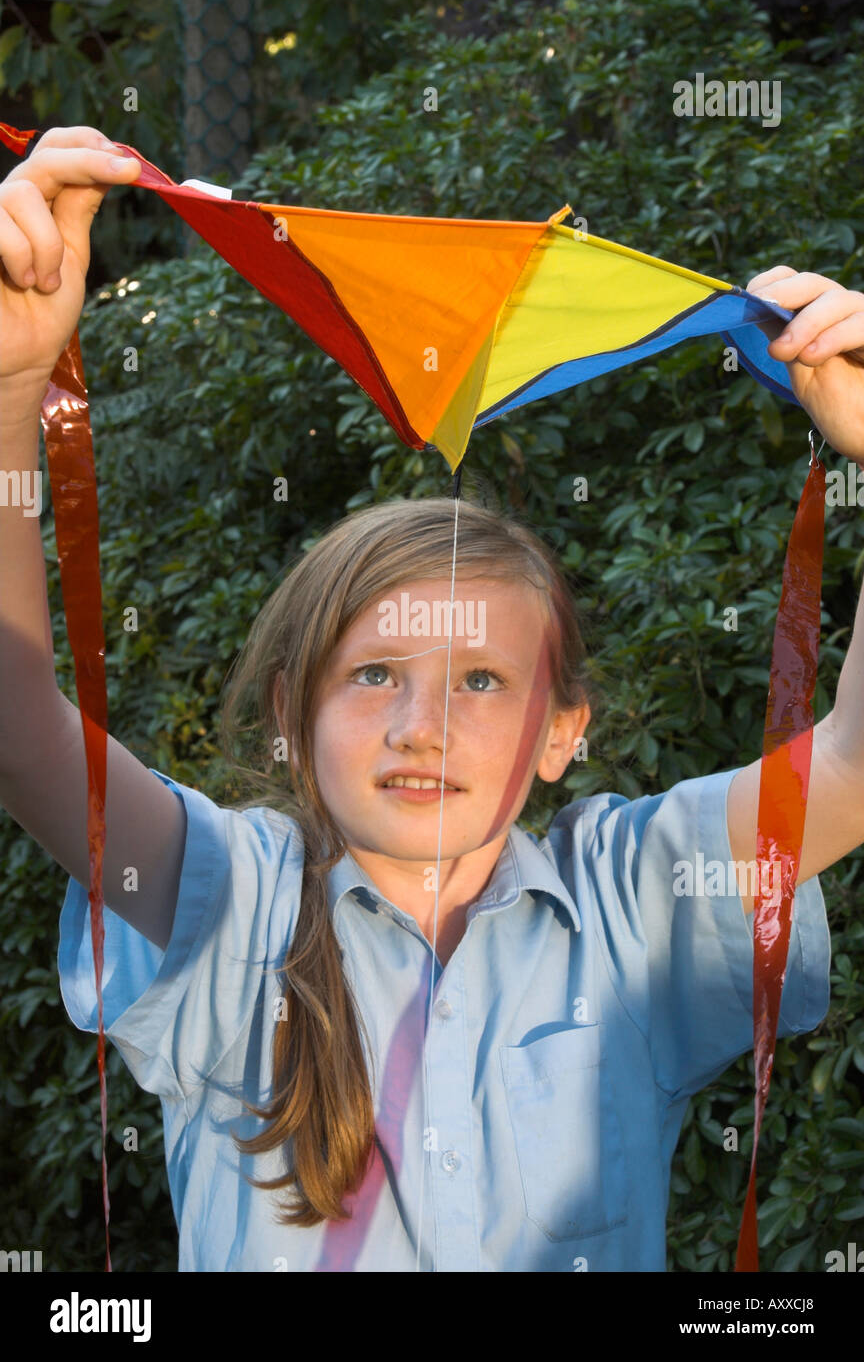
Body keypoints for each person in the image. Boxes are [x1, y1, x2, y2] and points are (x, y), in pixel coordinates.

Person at [1, 125, 862, 1273]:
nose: (423, 725)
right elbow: (17, 723)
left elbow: (851, 766)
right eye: (372, 676)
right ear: (292, 719)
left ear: (565, 733)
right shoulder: (225, 905)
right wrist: (12, 396)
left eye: (483, 681)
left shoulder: (639, 905)